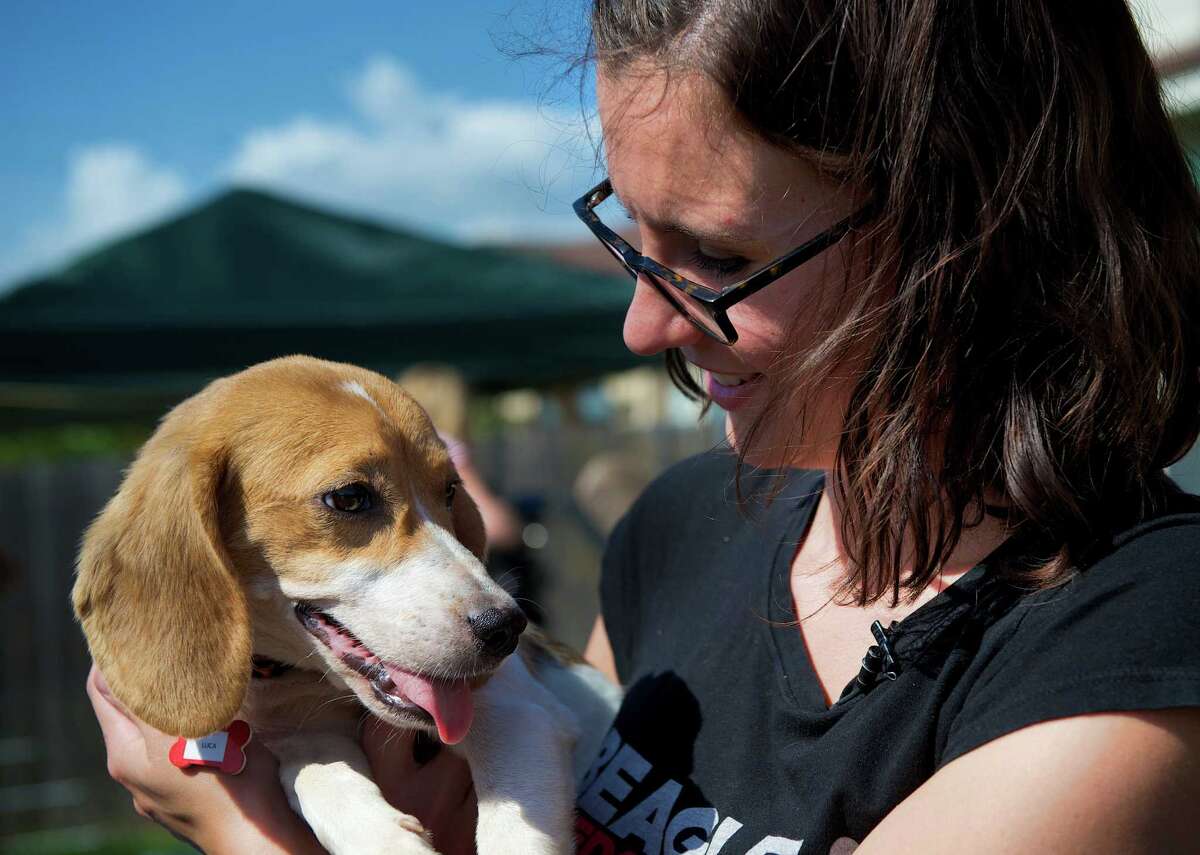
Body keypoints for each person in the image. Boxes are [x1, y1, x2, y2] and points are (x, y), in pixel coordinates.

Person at [88, 1, 1200, 852]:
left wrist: (244, 833)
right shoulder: (681, 528)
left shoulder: (1141, 637)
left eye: (719, 258)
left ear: (975, 240)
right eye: (631, 239)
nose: (639, 327)